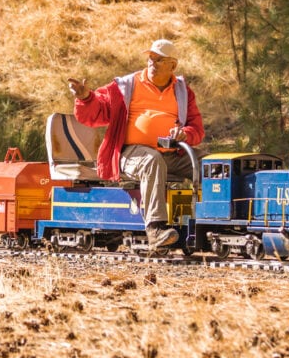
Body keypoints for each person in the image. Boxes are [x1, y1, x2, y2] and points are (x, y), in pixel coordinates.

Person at [67, 39, 204, 252]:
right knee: (152, 161)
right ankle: (156, 229)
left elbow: (196, 128)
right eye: (150, 58)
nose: (153, 63)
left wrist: (184, 134)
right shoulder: (125, 86)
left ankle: (212, 221)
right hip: (130, 153)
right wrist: (86, 98)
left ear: (173, 66)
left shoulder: (183, 92)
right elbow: (98, 112)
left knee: (209, 165)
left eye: (159, 59)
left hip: (172, 152)